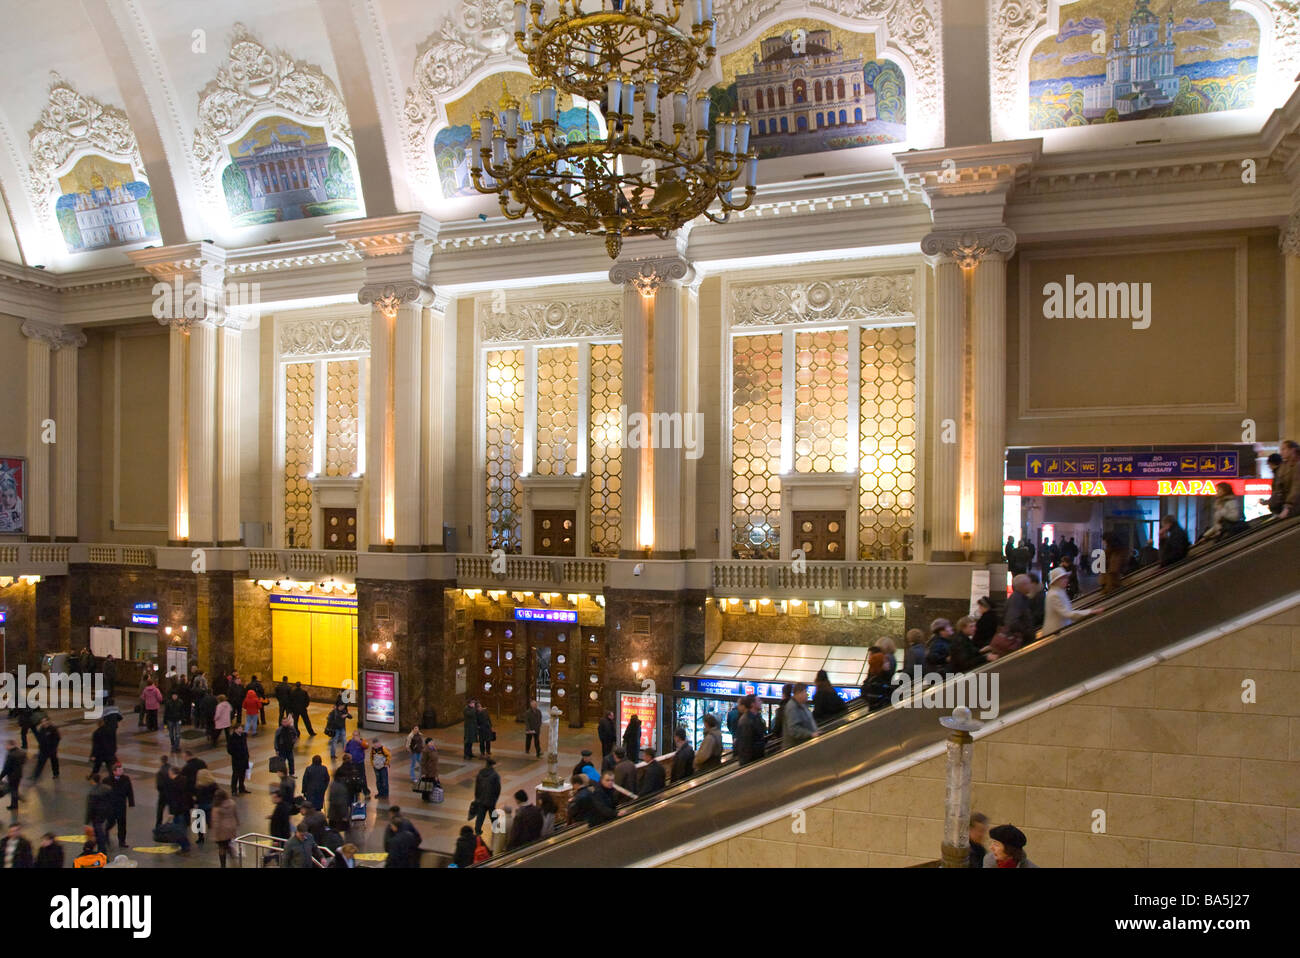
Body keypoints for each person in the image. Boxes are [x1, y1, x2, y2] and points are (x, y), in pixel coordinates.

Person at [1042, 566, 1102, 635]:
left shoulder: (1059, 591)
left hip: (1059, 631)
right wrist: (1090, 612)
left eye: (1066, 577)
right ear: (1056, 581)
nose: (1066, 580)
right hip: (1055, 632)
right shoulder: (1054, 595)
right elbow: (1067, 613)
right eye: (1063, 578)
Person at [105, 763, 135, 850]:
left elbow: (130, 791)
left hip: (121, 805)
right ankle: (105, 834)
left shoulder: (126, 779)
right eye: (119, 770)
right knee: (111, 822)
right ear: (114, 771)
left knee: (122, 823)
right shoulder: (107, 780)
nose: (122, 771)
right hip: (111, 805)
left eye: (122, 770)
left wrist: (131, 802)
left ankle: (122, 841)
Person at [1269, 440, 1299, 517]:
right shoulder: (1284, 466)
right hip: (1282, 508)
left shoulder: (1297, 466)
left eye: (1283, 449)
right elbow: (1278, 488)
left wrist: (1287, 507)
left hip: (1293, 510)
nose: (1281, 452)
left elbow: (1296, 488)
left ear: (1292, 450)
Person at [734, 695, 766, 765]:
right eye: (758, 700)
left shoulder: (756, 718)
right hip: (751, 761)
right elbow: (746, 745)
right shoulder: (746, 721)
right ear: (752, 704)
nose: (761, 702)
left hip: (756, 758)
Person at [85, 774, 113, 854]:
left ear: (92, 781)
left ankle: (102, 849)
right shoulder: (107, 788)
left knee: (99, 832)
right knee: (104, 829)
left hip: (97, 815)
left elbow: (90, 807)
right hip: (107, 812)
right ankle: (105, 844)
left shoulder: (93, 792)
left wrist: (87, 822)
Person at [472, 757, 501, 835]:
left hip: (481, 798)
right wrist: (495, 798)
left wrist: (477, 797)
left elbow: (477, 787)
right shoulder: (495, 775)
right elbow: (497, 788)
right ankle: (496, 828)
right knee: (493, 814)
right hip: (491, 799)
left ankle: (477, 829)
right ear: (492, 765)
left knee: (480, 815)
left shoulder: (480, 774)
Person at [211, 788, 239, 867]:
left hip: (221, 830)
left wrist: (214, 834)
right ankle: (231, 853)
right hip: (231, 827)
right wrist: (237, 823)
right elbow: (235, 814)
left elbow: (215, 821)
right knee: (227, 842)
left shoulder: (216, 807)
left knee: (221, 847)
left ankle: (223, 865)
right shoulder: (232, 803)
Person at [783, 683, 817, 748]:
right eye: (805, 692)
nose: (807, 694)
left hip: (803, 745)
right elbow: (793, 729)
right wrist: (811, 734)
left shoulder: (803, 705)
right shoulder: (792, 707)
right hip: (795, 747)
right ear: (799, 693)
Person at [344, 730, 371, 797]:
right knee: (353, 778)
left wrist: (359, 741)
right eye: (354, 735)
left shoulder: (362, 742)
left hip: (360, 763)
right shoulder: (350, 742)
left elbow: (366, 746)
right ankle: (356, 791)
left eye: (356, 735)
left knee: (362, 777)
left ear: (359, 736)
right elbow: (346, 750)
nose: (355, 736)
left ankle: (366, 792)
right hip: (352, 763)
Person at [227, 725, 250, 795]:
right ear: (235, 729)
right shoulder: (232, 737)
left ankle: (241, 788)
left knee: (242, 774)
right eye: (240, 728)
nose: (241, 729)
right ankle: (234, 790)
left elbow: (245, 746)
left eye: (242, 728)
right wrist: (237, 755)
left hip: (244, 758)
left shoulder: (243, 736)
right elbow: (229, 749)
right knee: (235, 775)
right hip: (237, 760)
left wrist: (247, 755)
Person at [1, 740, 24, 811]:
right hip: (19, 775)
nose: (5, 747)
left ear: (10, 745)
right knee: (14, 789)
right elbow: (23, 762)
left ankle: (17, 801)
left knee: (12, 790)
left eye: (6, 745)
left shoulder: (10, 755)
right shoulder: (21, 752)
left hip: (12, 776)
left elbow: (6, 768)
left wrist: (1, 777)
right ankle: (14, 805)